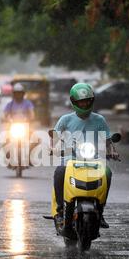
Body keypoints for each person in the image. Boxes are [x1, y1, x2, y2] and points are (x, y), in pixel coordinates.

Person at [53, 83, 120, 229]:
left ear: (92, 101)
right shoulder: (65, 120)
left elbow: (108, 141)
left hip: (94, 160)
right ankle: (60, 210)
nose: (84, 104)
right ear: (74, 102)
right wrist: (54, 147)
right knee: (59, 172)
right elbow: (55, 137)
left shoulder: (99, 120)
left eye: (87, 101)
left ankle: (100, 210)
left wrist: (112, 150)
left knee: (107, 173)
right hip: (70, 160)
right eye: (81, 102)